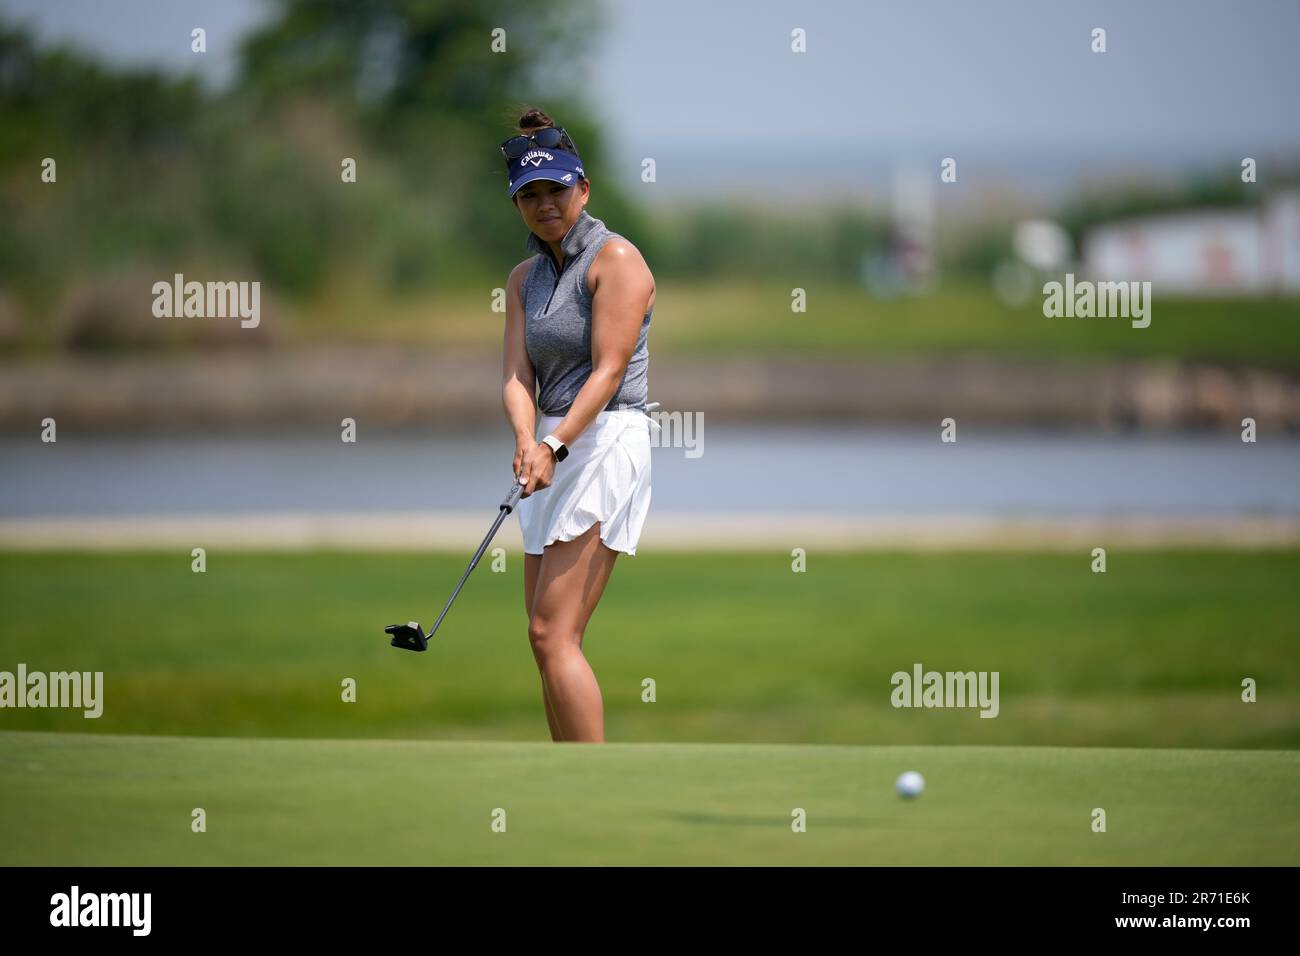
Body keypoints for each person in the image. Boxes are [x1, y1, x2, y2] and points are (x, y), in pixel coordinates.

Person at [500, 107, 657, 743]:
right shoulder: (523, 278)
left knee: (551, 631)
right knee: (544, 637)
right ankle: (566, 778)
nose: (545, 204)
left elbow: (609, 371)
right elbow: (516, 377)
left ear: (583, 188)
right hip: (548, 445)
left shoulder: (616, 259)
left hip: (606, 439)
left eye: (556, 189)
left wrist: (553, 445)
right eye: (529, 195)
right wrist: (525, 441)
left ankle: (594, 782)